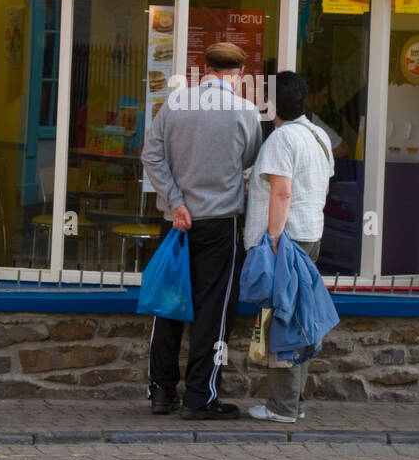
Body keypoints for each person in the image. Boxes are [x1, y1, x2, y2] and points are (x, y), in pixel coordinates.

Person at [141, 42, 263, 419]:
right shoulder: (245, 111)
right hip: (220, 222)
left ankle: (162, 392)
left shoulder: (175, 104)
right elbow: (250, 159)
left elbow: (151, 155)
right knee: (213, 312)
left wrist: (176, 202)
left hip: (176, 223)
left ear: (203, 67)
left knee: (168, 307)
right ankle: (200, 397)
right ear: (239, 73)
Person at [244, 71, 334, 423]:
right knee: (298, 319)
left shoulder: (282, 139)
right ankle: (293, 403)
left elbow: (282, 191)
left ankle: (282, 407)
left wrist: (274, 240)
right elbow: (323, 190)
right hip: (310, 234)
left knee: (280, 319)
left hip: (287, 240)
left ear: (271, 104)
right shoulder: (319, 136)